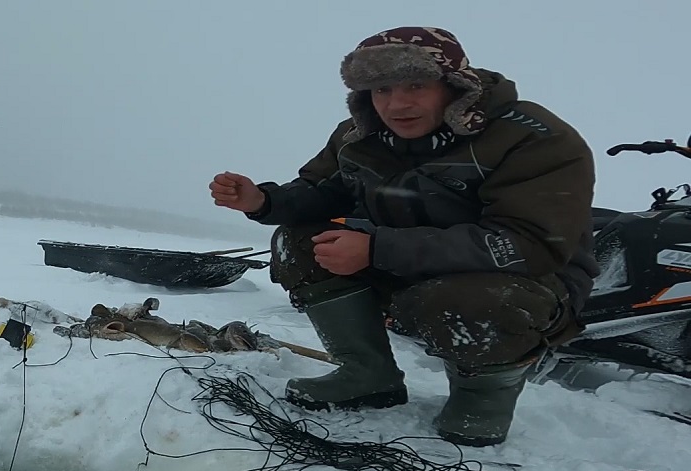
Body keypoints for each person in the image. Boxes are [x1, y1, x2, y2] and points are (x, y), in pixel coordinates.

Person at [209, 26, 598, 447]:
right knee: (299, 241)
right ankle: (367, 373)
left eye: (416, 85)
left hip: (527, 283)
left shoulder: (534, 138)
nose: (397, 104)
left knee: (466, 299)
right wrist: (263, 201)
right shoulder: (358, 135)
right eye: (381, 90)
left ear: (455, 86)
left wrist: (378, 249)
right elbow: (322, 193)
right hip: (408, 265)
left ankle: (480, 399)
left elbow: (528, 244)